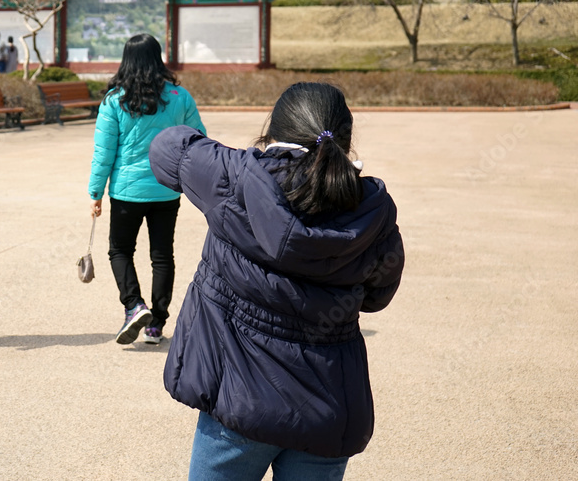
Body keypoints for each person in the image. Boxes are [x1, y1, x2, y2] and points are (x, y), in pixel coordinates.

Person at [148, 82, 405, 481]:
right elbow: (377, 296)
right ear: (346, 140)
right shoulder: (372, 208)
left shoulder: (235, 178)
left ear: (274, 131)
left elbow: (167, 148)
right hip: (328, 409)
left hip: (239, 406)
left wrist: (243, 156)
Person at [88, 34, 206, 346]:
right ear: (158, 58)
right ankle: (156, 324)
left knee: (120, 250)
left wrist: (95, 192)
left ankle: (134, 305)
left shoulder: (115, 100)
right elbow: (198, 139)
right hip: (167, 188)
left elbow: (104, 152)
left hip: (127, 191)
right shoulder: (180, 97)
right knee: (162, 254)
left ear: (126, 60)